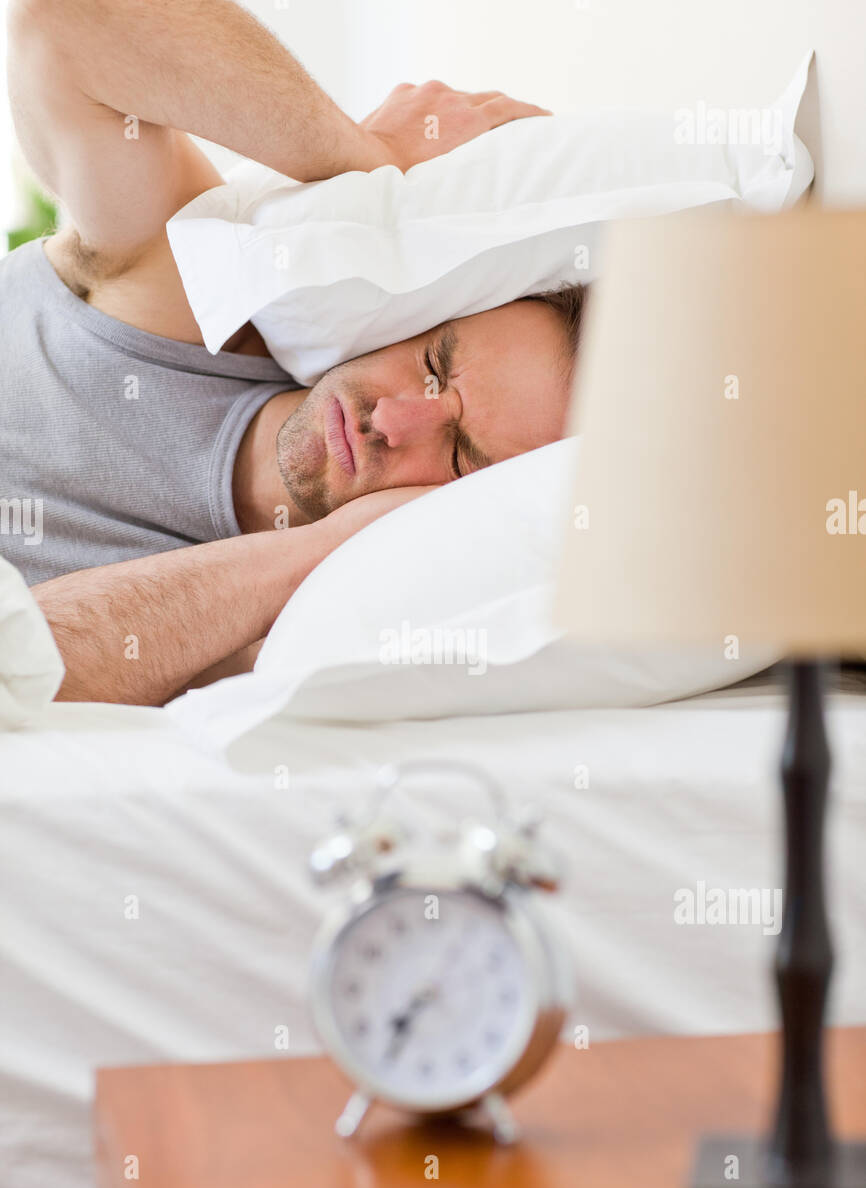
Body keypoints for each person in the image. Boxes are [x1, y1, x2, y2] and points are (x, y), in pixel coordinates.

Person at [3, 0, 588, 704]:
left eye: (460, 453)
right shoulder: (191, 310)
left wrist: (313, 551)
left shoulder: (287, 630)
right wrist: (368, 165)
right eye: (433, 368)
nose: (394, 420)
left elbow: (22, 668)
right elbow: (65, 24)